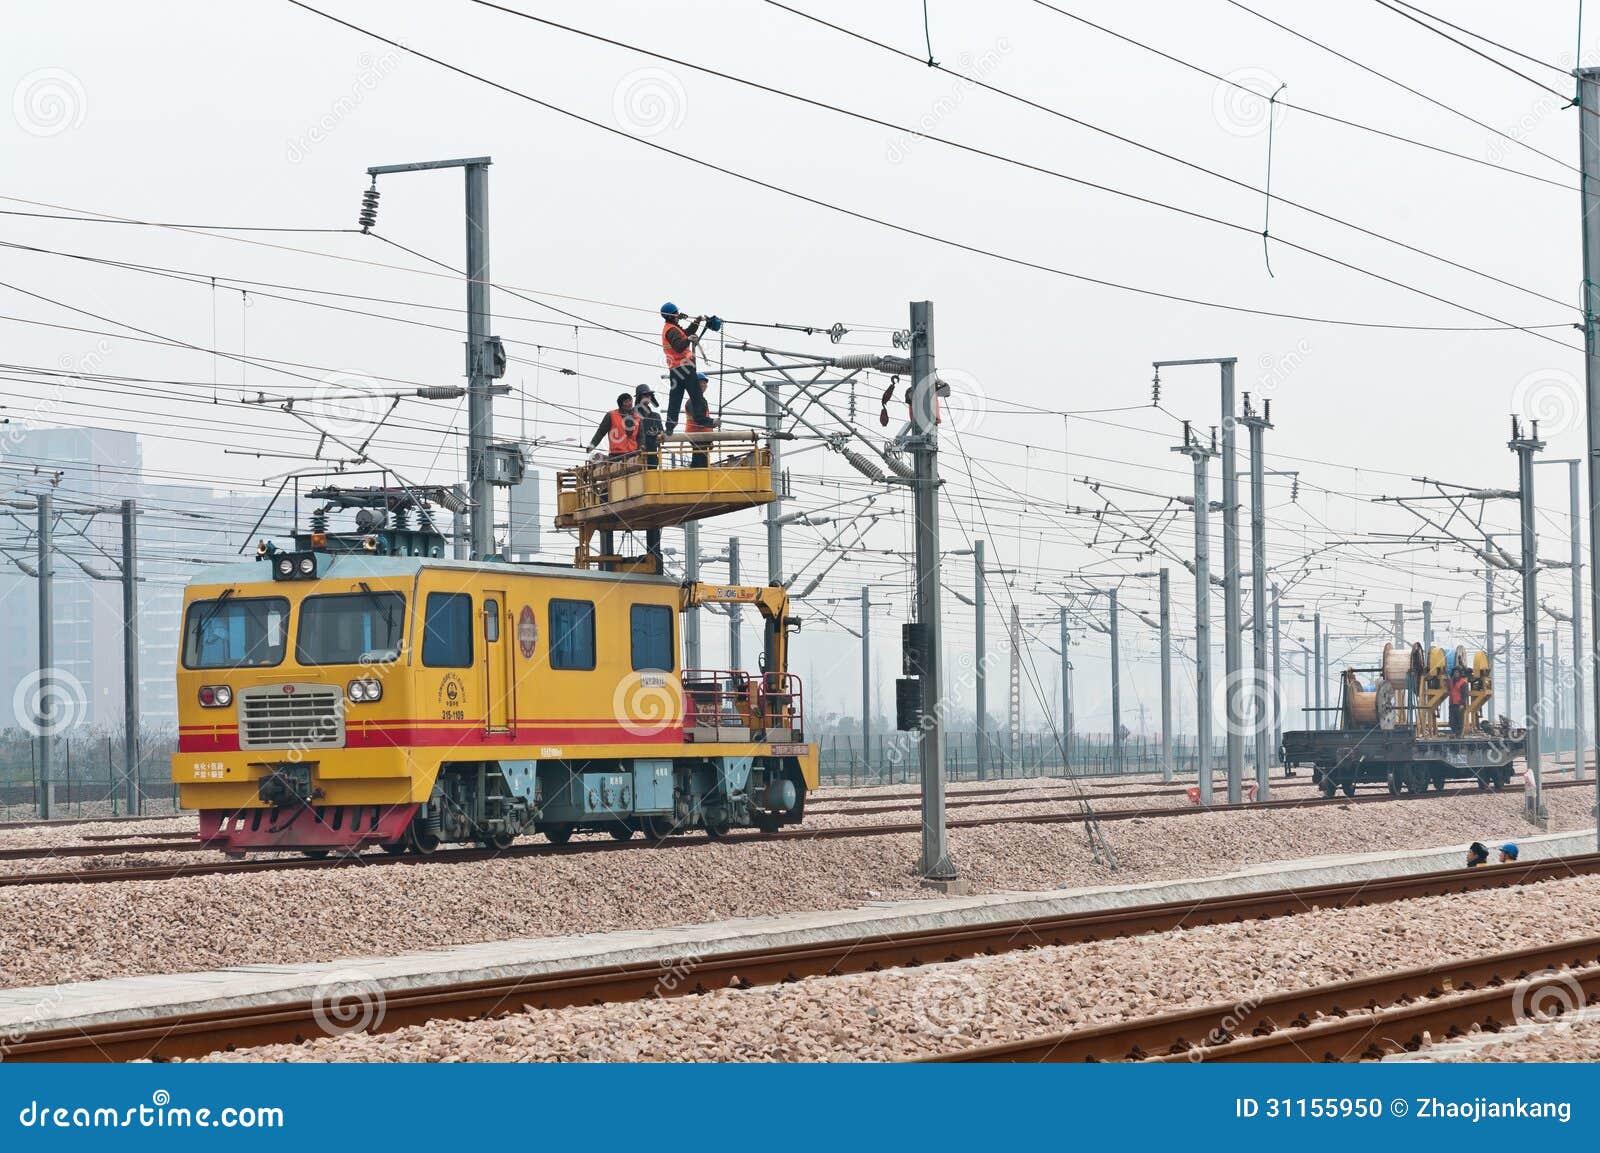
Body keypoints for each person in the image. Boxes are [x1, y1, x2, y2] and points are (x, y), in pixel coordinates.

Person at [660, 302, 705, 435]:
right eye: (676, 313)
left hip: (676, 369)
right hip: (684, 368)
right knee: (696, 394)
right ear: (671, 315)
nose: (678, 315)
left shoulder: (672, 328)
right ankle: (702, 419)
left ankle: (670, 427)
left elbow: (685, 334)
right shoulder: (672, 330)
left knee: (675, 398)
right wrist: (688, 340)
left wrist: (696, 321)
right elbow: (679, 346)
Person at [685, 372, 715, 468]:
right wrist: (713, 422)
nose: (703, 385)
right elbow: (699, 419)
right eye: (700, 383)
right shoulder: (693, 401)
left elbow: (703, 418)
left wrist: (710, 439)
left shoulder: (701, 400)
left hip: (702, 436)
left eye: (704, 383)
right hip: (697, 436)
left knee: (701, 460)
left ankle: (695, 472)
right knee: (701, 462)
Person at [1448, 668, 1469, 736]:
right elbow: (1449, 690)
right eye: (1455, 672)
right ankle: (1454, 732)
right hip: (1452, 704)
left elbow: (1465, 694)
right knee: (1451, 720)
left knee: (1459, 720)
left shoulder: (1463, 682)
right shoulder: (1451, 681)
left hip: (1459, 705)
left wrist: (1462, 704)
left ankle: (1459, 734)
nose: (1456, 674)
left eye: (1457, 672)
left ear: (1460, 673)